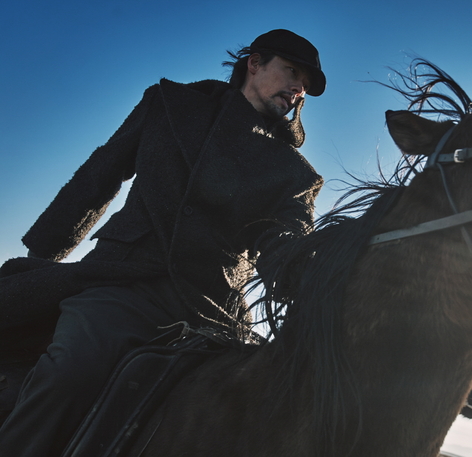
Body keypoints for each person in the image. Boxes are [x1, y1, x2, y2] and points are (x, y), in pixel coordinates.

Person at [0, 29, 325, 456]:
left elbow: (284, 238)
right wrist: (47, 249)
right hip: (124, 281)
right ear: (255, 63)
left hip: (213, 308)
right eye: (293, 71)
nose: (299, 88)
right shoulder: (170, 103)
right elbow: (101, 172)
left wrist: (304, 274)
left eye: (306, 85)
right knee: (71, 374)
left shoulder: (296, 173)